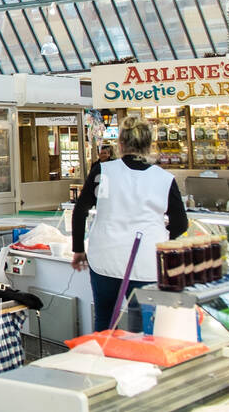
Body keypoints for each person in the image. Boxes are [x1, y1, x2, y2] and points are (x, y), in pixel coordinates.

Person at [72, 117, 187, 332]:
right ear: (149, 144)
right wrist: (162, 239)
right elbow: (181, 223)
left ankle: (102, 360)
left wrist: (78, 250)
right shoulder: (165, 178)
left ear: (121, 144)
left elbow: (80, 211)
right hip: (147, 262)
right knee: (143, 324)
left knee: (105, 319)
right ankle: (139, 362)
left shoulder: (103, 171)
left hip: (105, 257)